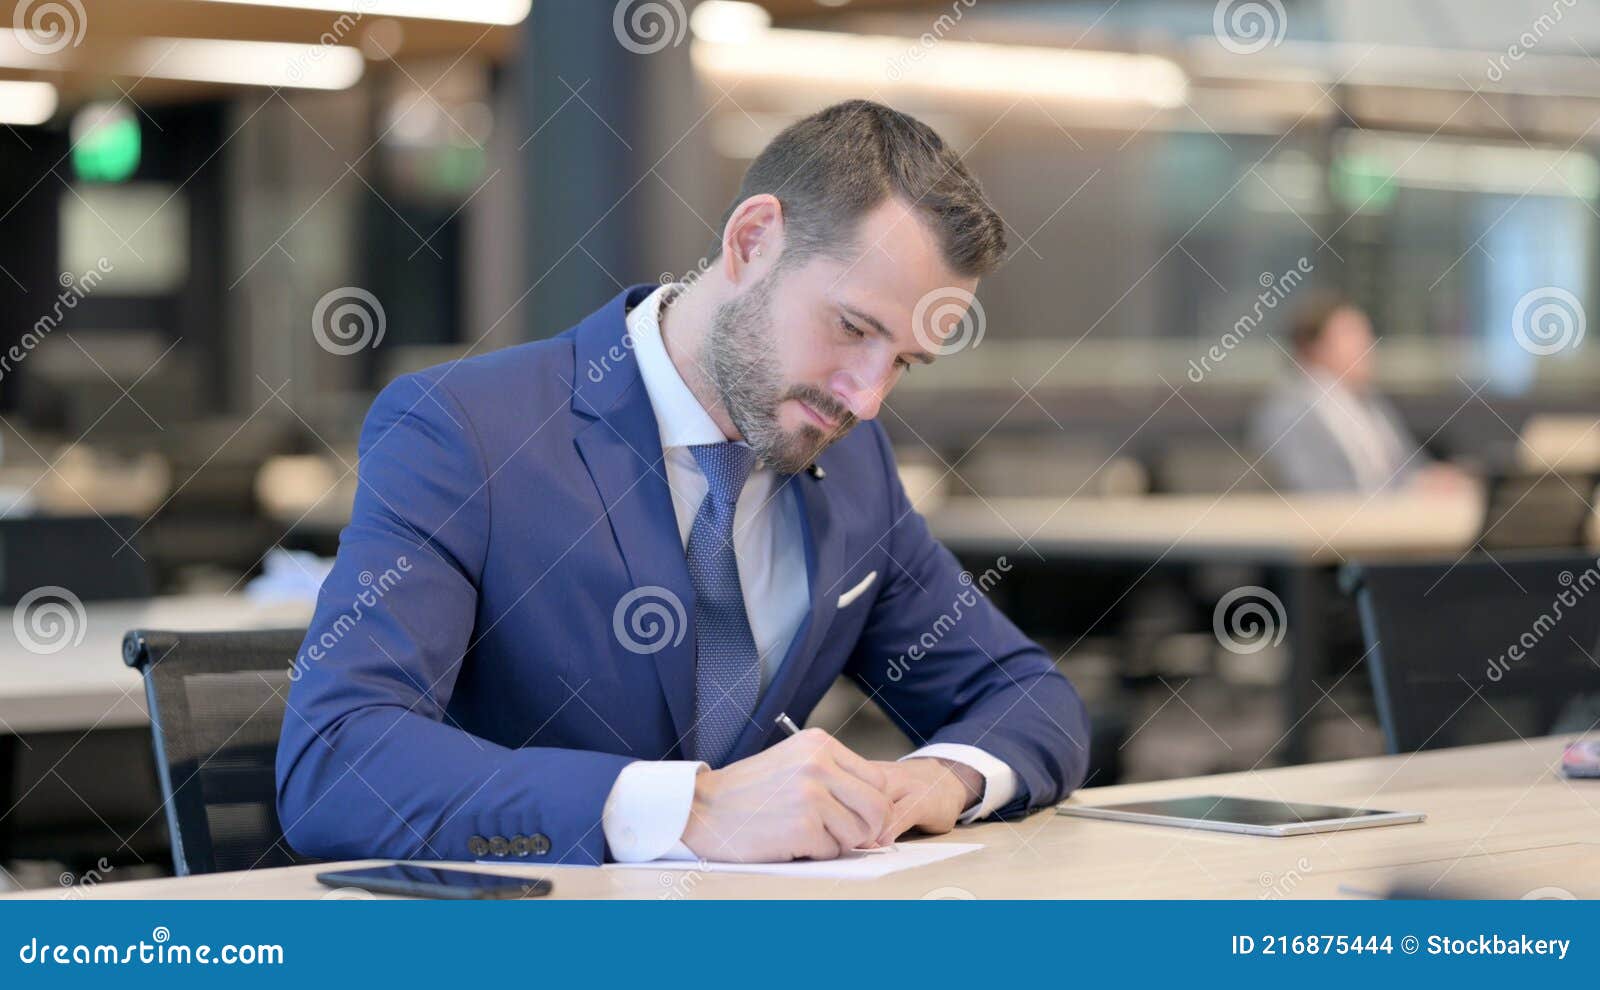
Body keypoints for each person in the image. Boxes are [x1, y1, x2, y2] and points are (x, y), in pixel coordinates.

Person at [276, 100, 1090, 866]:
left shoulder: (852, 466)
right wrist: (685, 810)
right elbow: (338, 761)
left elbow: (1027, 695)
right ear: (753, 241)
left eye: (904, 361)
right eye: (852, 327)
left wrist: (941, 777)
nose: (867, 398)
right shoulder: (470, 430)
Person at [1250, 293, 1467, 494]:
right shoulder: (1286, 413)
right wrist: (1406, 492)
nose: (1366, 345)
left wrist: (1431, 480)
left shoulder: (1370, 402)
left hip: (1398, 516)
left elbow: (1408, 467)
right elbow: (1315, 492)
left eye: (1366, 334)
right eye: (1351, 336)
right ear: (1314, 347)